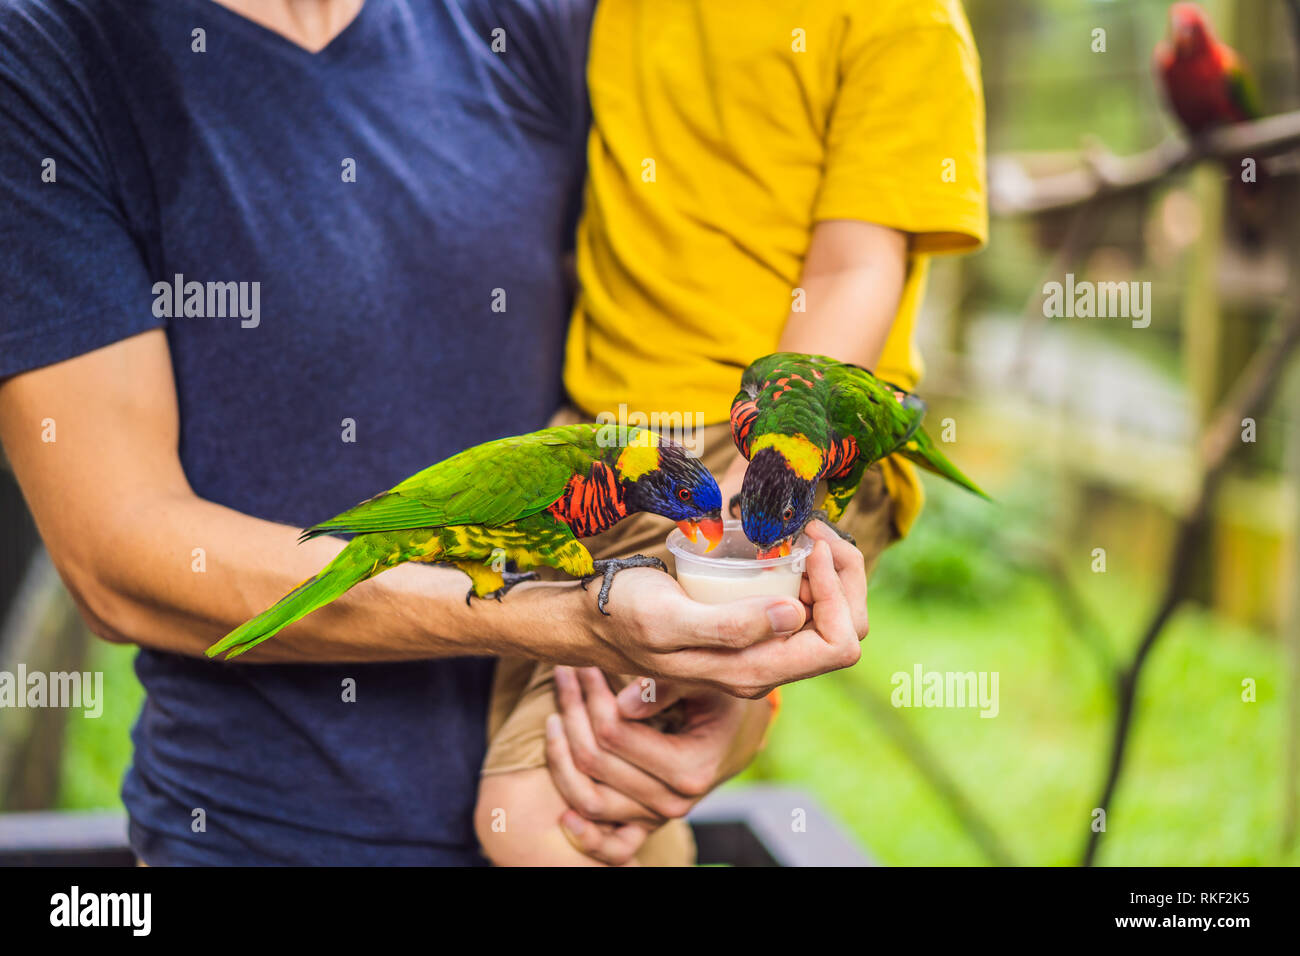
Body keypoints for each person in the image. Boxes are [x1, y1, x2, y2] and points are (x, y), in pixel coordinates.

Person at [0, 0, 865, 865]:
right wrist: (563, 618)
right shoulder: (52, 48)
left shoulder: (533, 17)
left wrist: (738, 693)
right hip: (262, 839)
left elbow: (690, 311)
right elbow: (116, 559)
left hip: (594, 823)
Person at [475, 0, 988, 865]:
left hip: (771, 441)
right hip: (604, 439)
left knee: (544, 814)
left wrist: (771, 490)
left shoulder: (902, 20)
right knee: (628, 808)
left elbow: (857, 268)